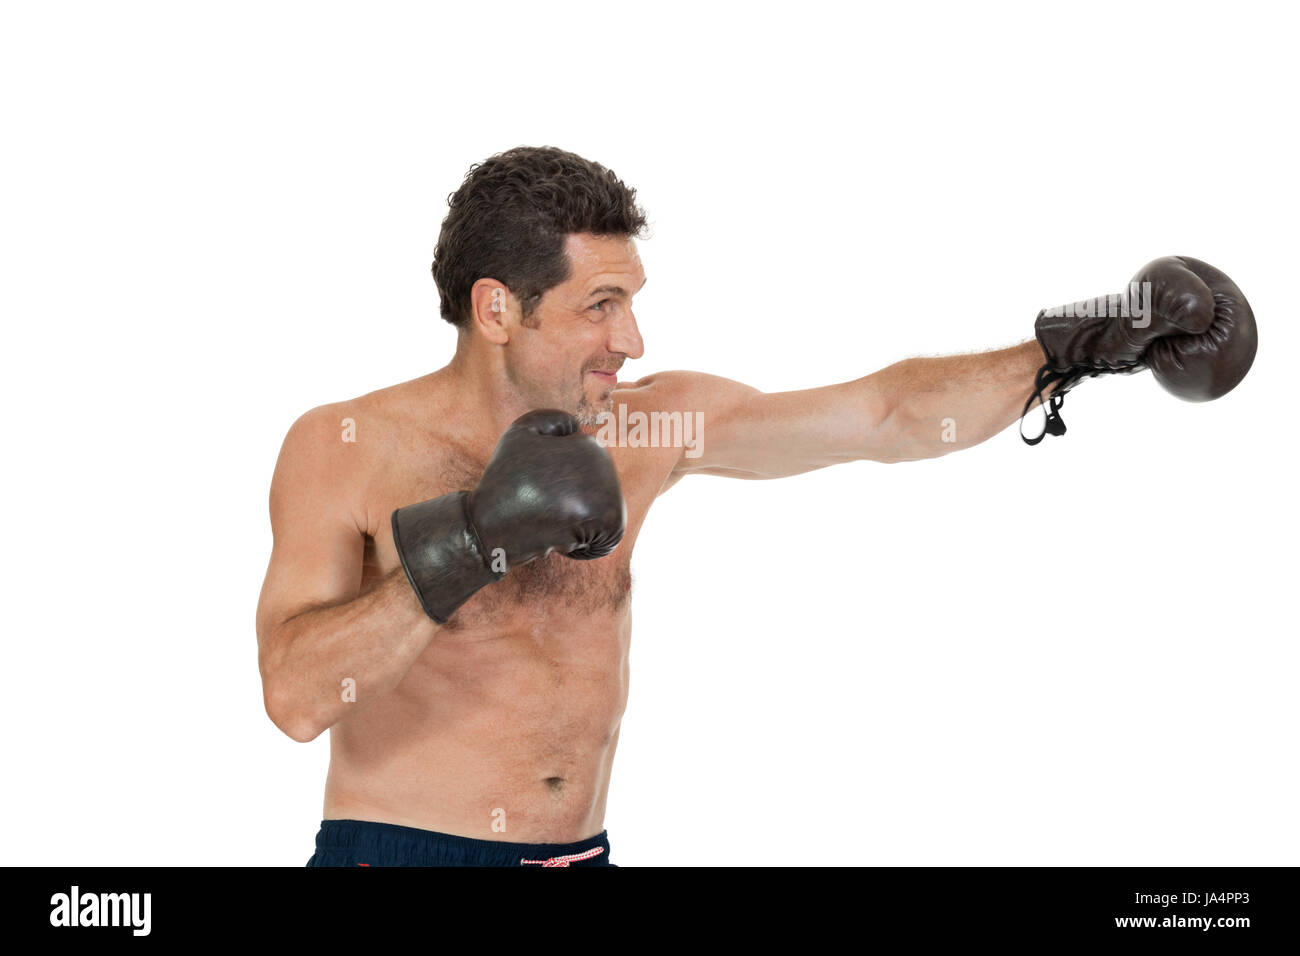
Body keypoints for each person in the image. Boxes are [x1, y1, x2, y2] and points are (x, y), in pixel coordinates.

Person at [255, 146, 1255, 867]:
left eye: (632, 300)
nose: (632, 338)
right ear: (496, 310)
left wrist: (1069, 348)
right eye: (599, 304)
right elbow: (296, 699)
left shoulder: (647, 428)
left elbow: (886, 414)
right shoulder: (347, 447)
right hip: (399, 854)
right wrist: (468, 540)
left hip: (586, 854)